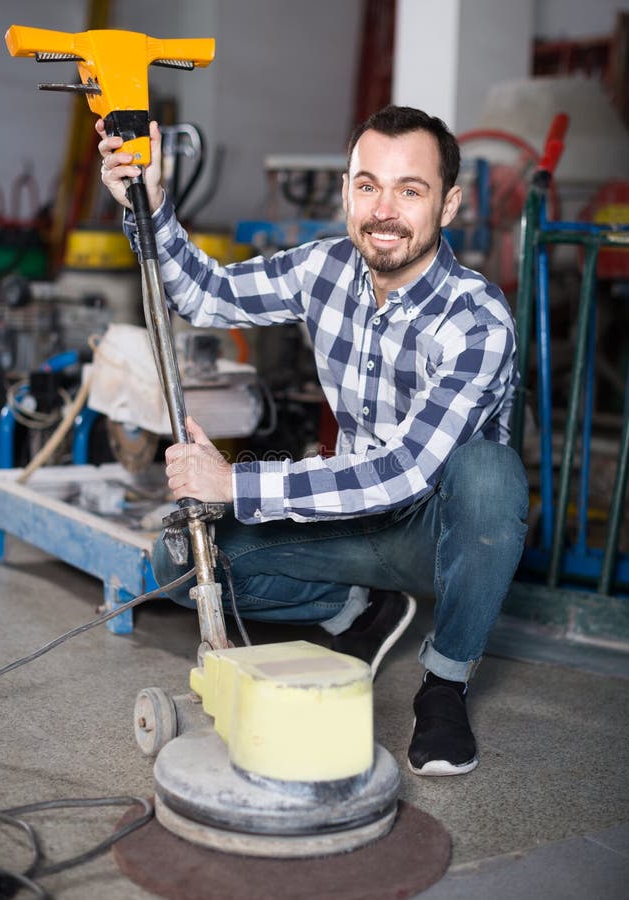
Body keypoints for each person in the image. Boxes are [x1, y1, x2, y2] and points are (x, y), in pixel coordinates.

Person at [97, 105, 528, 777]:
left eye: (409, 190)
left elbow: (406, 472)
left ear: (448, 204)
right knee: (177, 562)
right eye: (366, 186)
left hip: (436, 532)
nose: (383, 210)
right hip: (353, 523)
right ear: (348, 190)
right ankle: (356, 604)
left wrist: (233, 484)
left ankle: (444, 683)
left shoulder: (478, 320)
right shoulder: (326, 268)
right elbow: (206, 295)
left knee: (490, 475)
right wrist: (152, 205)